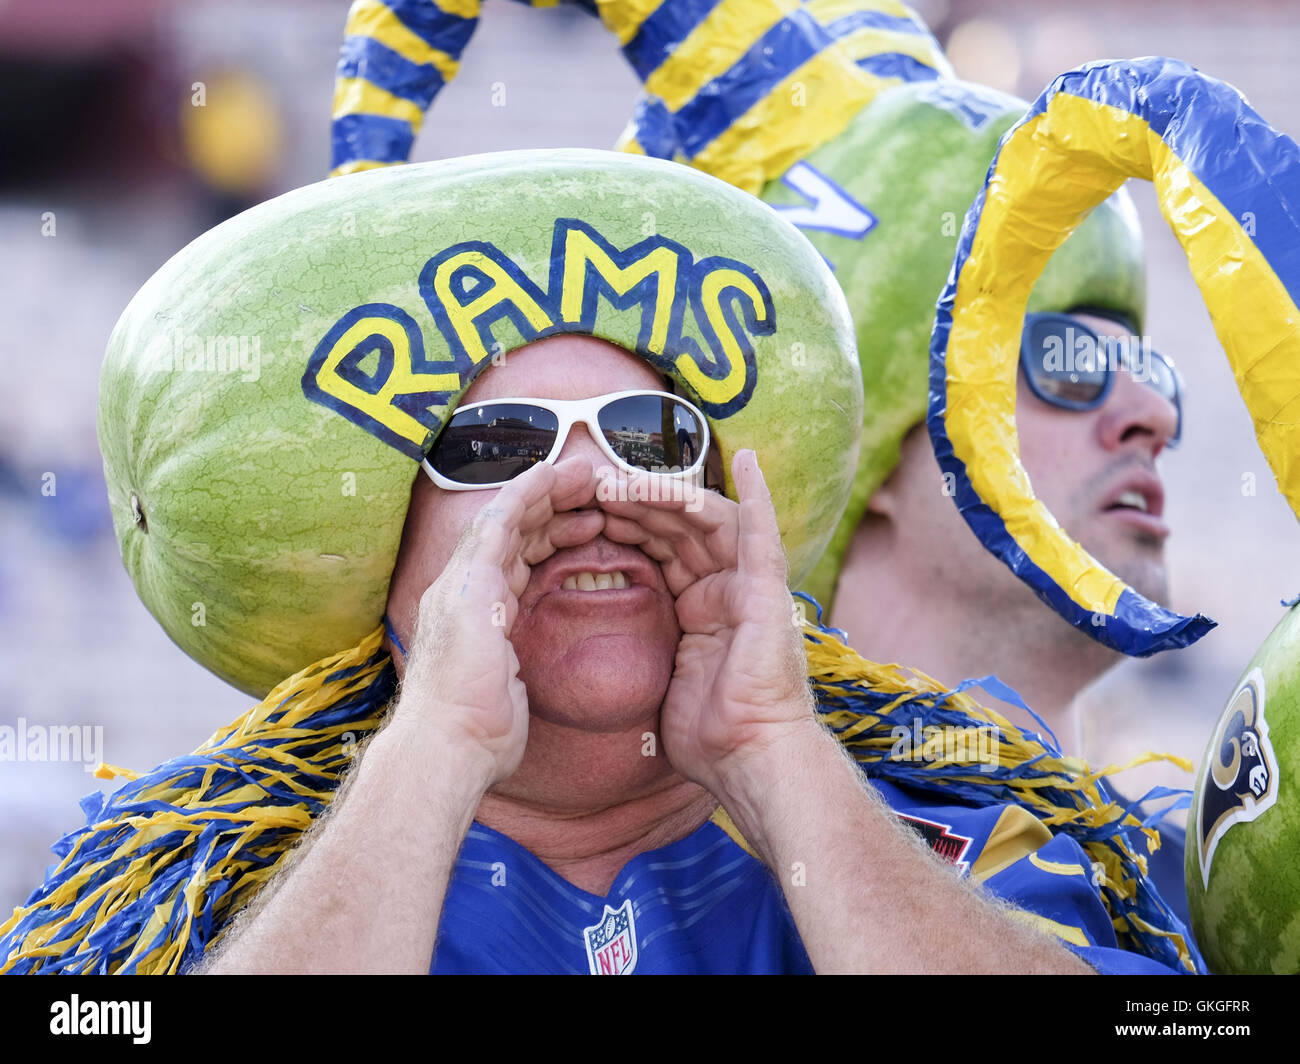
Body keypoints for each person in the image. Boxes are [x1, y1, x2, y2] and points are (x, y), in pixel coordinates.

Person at [0, 150, 1193, 974]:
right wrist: (437, 742)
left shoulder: (968, 790)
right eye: (499, 446)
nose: (585, 489)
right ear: (389, 559)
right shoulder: (202, 867)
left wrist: (774, 749)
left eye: (649, 437)